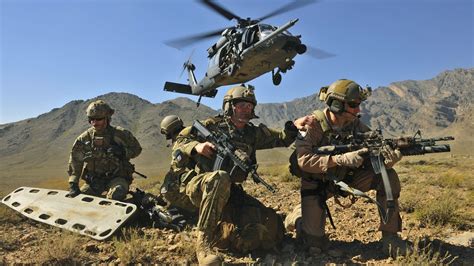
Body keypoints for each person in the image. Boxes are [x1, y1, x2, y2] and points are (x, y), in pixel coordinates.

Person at [170, 84, 309, 265]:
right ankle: (202, 246)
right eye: (242, 105)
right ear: (230, 106)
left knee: (270, 221)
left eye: (250, 107)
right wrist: (196, 147)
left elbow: (281, 138)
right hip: (199, 187)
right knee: (219, 177)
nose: (247, 110)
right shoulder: (211, 126)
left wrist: (293, 127)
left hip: (229, 191)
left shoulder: (251, 133)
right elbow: (180, 140)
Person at [288, 79, 408, 257]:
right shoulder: (311, 125)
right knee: (314, 246)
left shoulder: (355, 124)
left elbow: (373, 150)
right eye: (353, 105)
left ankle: (391, 239)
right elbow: (304, 161)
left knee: (387, 176)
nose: (358, 110)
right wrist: (340, 159)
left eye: (358, 105)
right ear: (336, 104)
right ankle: (296, 218)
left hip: (348, 179)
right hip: (317, 184)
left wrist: (387, 160)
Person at [66, 100, 142, 201]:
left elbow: (137, 149)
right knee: (80, 200)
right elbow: (75, 161)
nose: (94, 122)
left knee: (116, 195)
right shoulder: (84, 139)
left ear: (107, 118)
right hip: (95, 181)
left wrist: (123, 152)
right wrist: (73, 184)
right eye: (91, 119)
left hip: (117, 178)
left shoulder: (120, 134)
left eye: (98, 119)